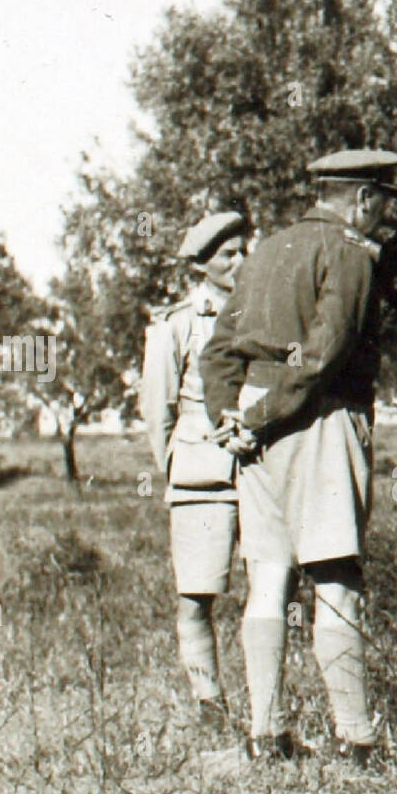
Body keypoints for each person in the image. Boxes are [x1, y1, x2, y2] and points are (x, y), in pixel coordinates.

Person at [200, 149, 397, 765]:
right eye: (384, 202)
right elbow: (325, 353)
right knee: (336, 579)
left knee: (268, 578)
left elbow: (218, 352)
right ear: (363, 199)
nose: (386, 215)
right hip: (318, 421)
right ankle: (357, 739)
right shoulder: (350, 253)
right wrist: (263, 415)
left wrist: (230, 419)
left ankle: (267, 734)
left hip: (258, 435)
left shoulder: (265, 251)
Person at [139, 211, 248, 730]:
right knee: (196, 597)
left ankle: (264, 706)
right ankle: (209, 704)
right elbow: (157, 414)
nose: (240, 261)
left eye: (244, 251)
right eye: (229, 255)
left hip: (257, 474)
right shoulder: (177, 324)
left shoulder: (261, 313)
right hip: (201, 479)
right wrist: (182, 468)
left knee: (272, 587)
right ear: (203, 265)